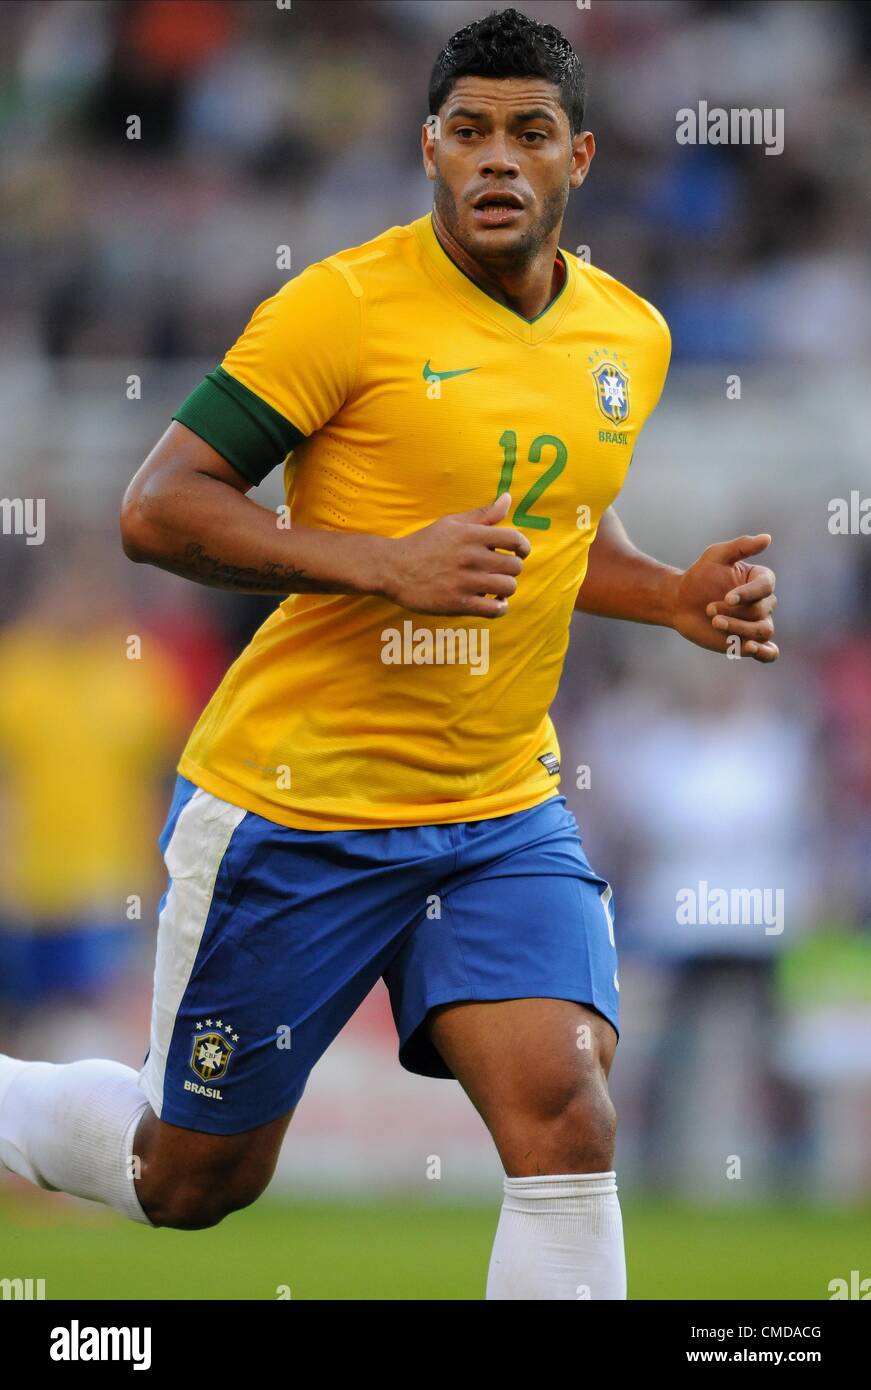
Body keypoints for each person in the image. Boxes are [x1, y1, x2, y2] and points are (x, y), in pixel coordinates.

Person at [0, 8, 778, 1300]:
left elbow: (560, 529)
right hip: (300, 805)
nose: (496, 159)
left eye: (529, 133)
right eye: (468, 130)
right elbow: (158, 506)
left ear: (580, 155)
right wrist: (382, 562)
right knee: (187, 1181)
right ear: (427, 146)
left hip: (498, 809)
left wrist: (669, 593)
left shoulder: (629, 337)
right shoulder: (341, 307)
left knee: (567, 1117)